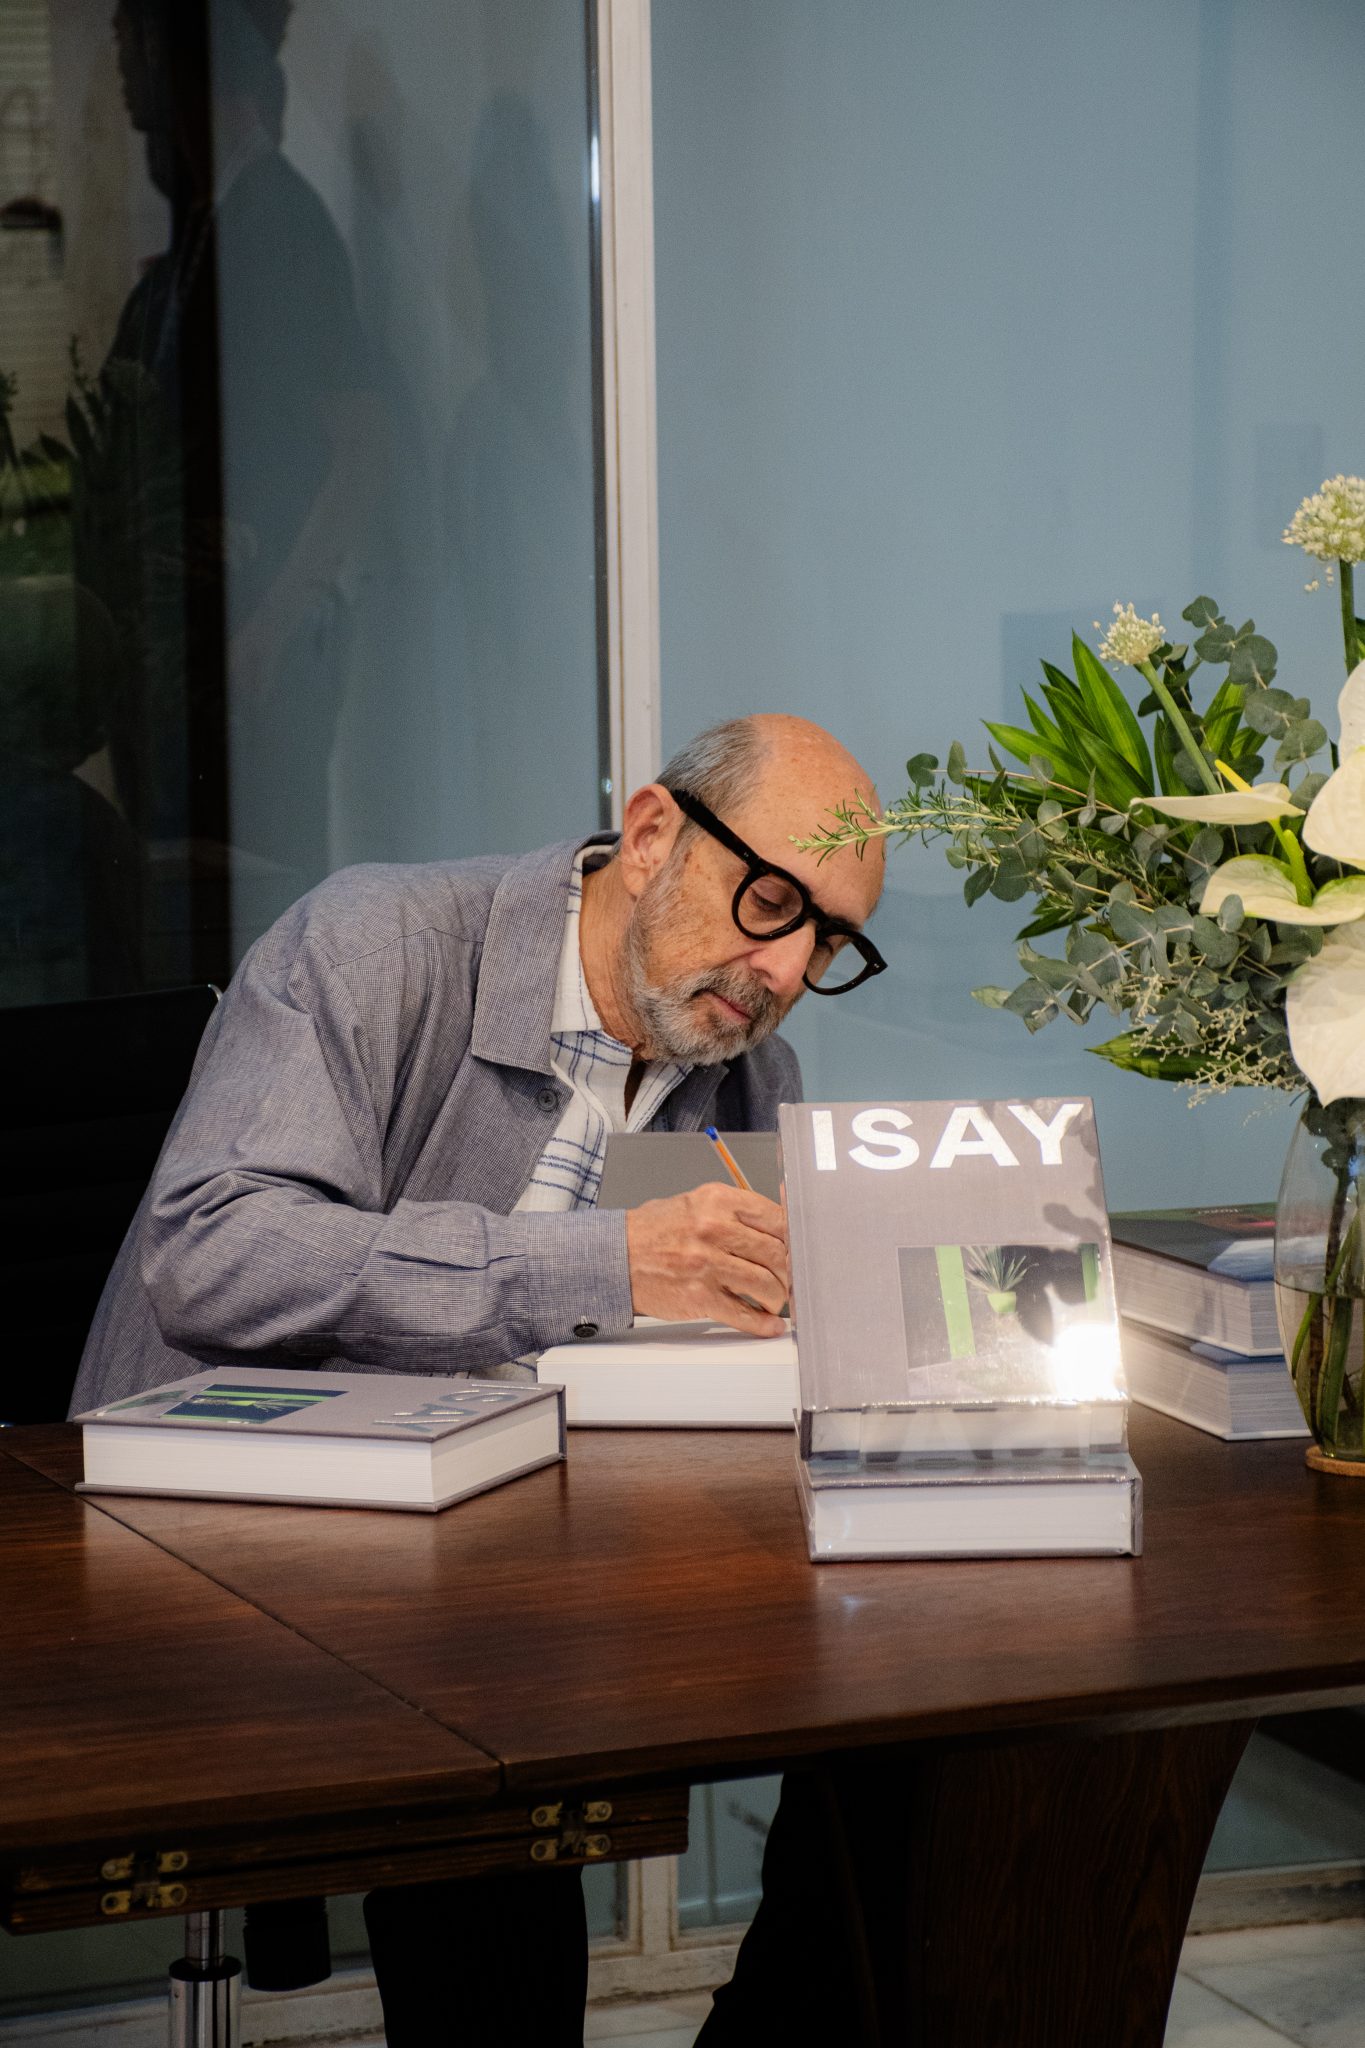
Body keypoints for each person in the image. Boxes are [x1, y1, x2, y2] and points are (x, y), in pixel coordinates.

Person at [71, 711, 889, 2044]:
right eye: (771, 900)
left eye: (830, 940)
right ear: (648, 835)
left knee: (897, 1709)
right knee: (499, 1765)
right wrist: (600, 1263)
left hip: (534, 1553)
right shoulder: (377, 948)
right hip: (227, 1536)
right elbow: (214, 1252)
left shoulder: (747, 1074)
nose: (786, 965)